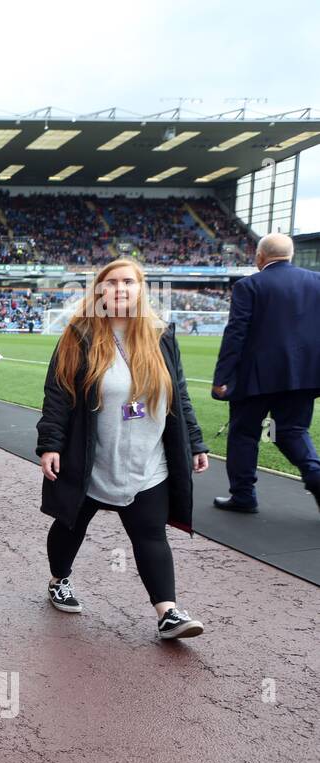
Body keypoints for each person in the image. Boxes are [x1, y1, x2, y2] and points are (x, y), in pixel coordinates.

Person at [36, 258, 209, 639]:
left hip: (148, 462)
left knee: (151, 534)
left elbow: (178, 394)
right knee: (69, 526)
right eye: (110, 283)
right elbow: (59, 395)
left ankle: (168, 613)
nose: (119, 289)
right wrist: (50, 444)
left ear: (140, 288)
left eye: (128, 282)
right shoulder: (78, 335)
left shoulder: (161, 334)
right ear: (99, 291)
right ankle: (58, 579)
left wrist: (194, 440)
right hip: (91, 460)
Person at [211, 234, 320, 514]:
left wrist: (222, 377)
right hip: (304, 376)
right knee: (293, 431)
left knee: (244, 434)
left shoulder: (249, 285)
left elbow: (236, 333)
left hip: (255, 376)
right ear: (291, 255)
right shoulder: (316, 281)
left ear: (260, 257)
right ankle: (315, 475)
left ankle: (244, 496)